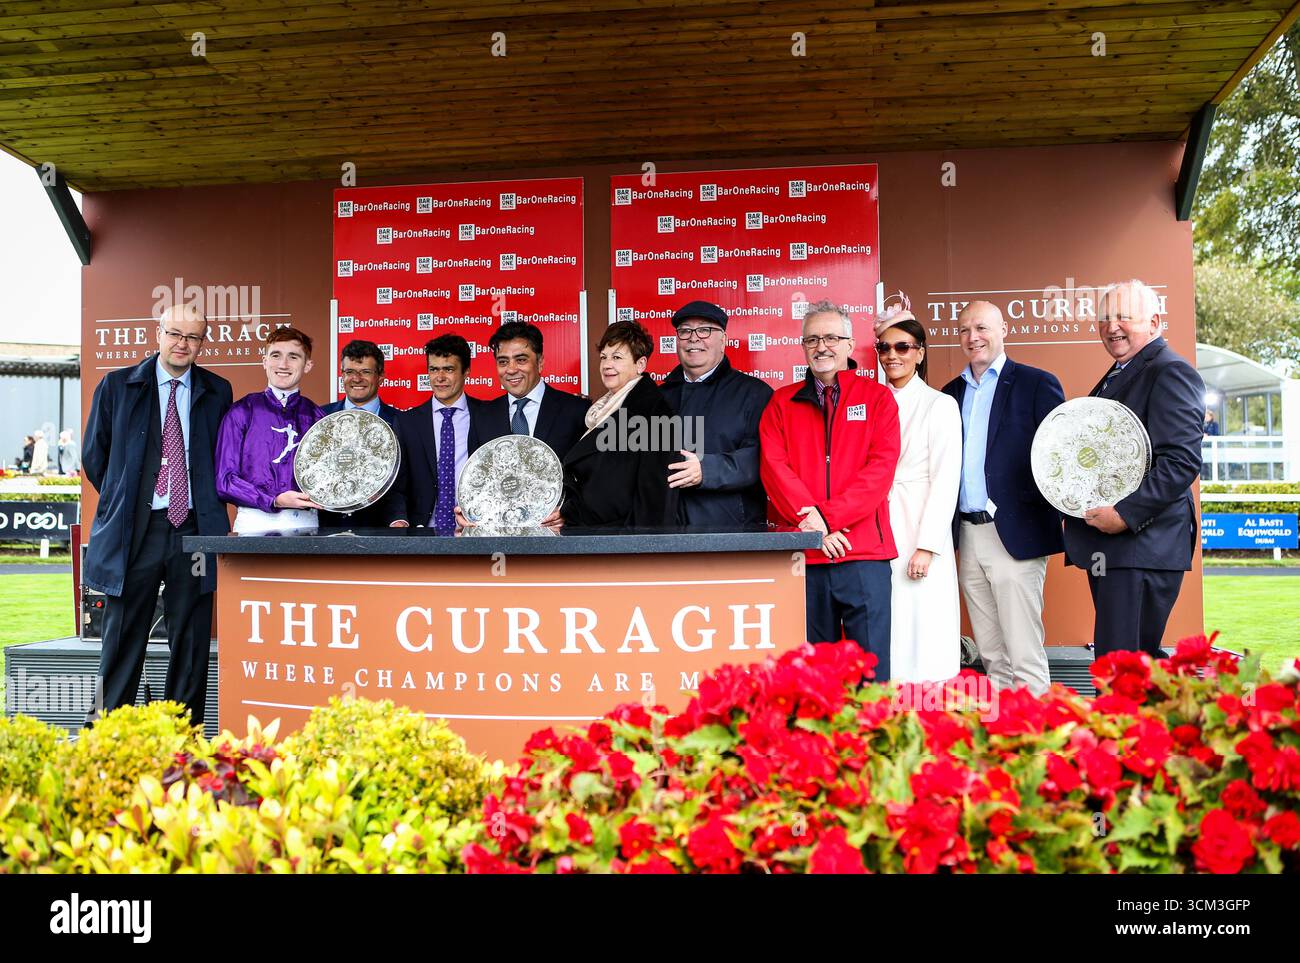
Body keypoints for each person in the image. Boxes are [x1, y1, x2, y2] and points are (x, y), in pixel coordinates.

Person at [81, 303, 233, 726]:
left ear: (202, 342)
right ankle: (104, 731)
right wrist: (126, 500)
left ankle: (182, 737)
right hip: (137, 530)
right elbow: (97, 459)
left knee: (192, 639)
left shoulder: (218, 390)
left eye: (192, 337)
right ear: (159, 333)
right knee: (120, 637)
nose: (182, 344)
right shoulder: (116, 386)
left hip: (194, 531)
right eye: (175, 334)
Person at [759, 299, 900, 680]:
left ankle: (872, 739)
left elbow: (879, 471)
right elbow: (774, 468)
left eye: (832, 338)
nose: (822, 347)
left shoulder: (878, 398)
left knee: (871, 674)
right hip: (806, 556)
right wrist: (815, 527)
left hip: (864, 554)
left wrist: (828, 519)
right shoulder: (781, 402)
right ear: (803, 347)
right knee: (814, 678)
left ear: (850, 345)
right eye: (813, 340)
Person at [1063, 280, 1204, 656]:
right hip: (1120, 551)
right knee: (1121, 665)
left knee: (1122, 671)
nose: (1112, 326)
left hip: (1141, 545)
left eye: (1124, 316)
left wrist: (1125, 514)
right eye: (1105, 317)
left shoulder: (1169, 371)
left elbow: (1181, 461)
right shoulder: (1124, 371)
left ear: (1155, 322)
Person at [942, 300, 1064, 695]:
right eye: (964, 330)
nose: (972, 337)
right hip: (967, 533)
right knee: (992, 653)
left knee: (1024, 651)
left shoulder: (1035, 383)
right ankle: (1004, 739)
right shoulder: (950, 394)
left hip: (1014, 532)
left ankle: (1039, 742)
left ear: (1003, 329)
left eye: (981, 328)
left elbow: (1058, 456)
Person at [876, 305, 963, 682]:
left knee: (923, 623)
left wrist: (927, 546)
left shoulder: (940, 405)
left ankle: (928, 718)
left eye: (902, 347)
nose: (892, 355)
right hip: (875, 526)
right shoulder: (870, 402)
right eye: (884, 348)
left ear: (920, 352)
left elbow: (946, 478)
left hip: (919, 525)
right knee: (888, 620)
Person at [659, 300, 773, 528]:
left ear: (723, 340)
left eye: (704, 330)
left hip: (730, 535)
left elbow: (763, 457)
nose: (693, 338)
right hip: (665, 534)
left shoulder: (755, 393)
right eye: (685, 331)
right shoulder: (656, 397)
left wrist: (707, 469)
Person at [560, 320, 678, 528]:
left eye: (617, 357)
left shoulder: (654, 411)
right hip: (592, 534)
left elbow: (654, 498)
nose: (606, 365)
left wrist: (635, 551)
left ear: (640, 364)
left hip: (617, 543)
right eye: (604, 357)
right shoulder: (602, 409)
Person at [215, 327, 324, 533]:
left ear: (307, 365)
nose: (283, 364)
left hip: (306, 523)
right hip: (253, 523)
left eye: (293, 357)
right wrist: (273, 500)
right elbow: (225, 480)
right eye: (276, 355)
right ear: (264, 361)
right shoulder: (241, 411)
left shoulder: (317, 416)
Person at [388, 334, 484, 532]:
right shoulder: (407, 422)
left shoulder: (488, 416)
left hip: (476, 529)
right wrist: (399, 521)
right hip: (421, 533)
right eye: (433, 369)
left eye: (448, 369)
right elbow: (396, 484)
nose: (440, 377)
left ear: (466, 371)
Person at [470, 321, 590, 459]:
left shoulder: (576, 410)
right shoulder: (482, 416)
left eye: (521, 360)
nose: (511, 369)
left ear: (540, 363)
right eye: (503, 362)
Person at [318, 339, 401, 529]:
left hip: (382, 529)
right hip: (328, 529)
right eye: (349, 372)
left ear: (380, 377)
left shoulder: (401, 422)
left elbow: (405, 483)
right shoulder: (321, 418)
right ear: (342, 375)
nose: (356, 379)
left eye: (365, 372)